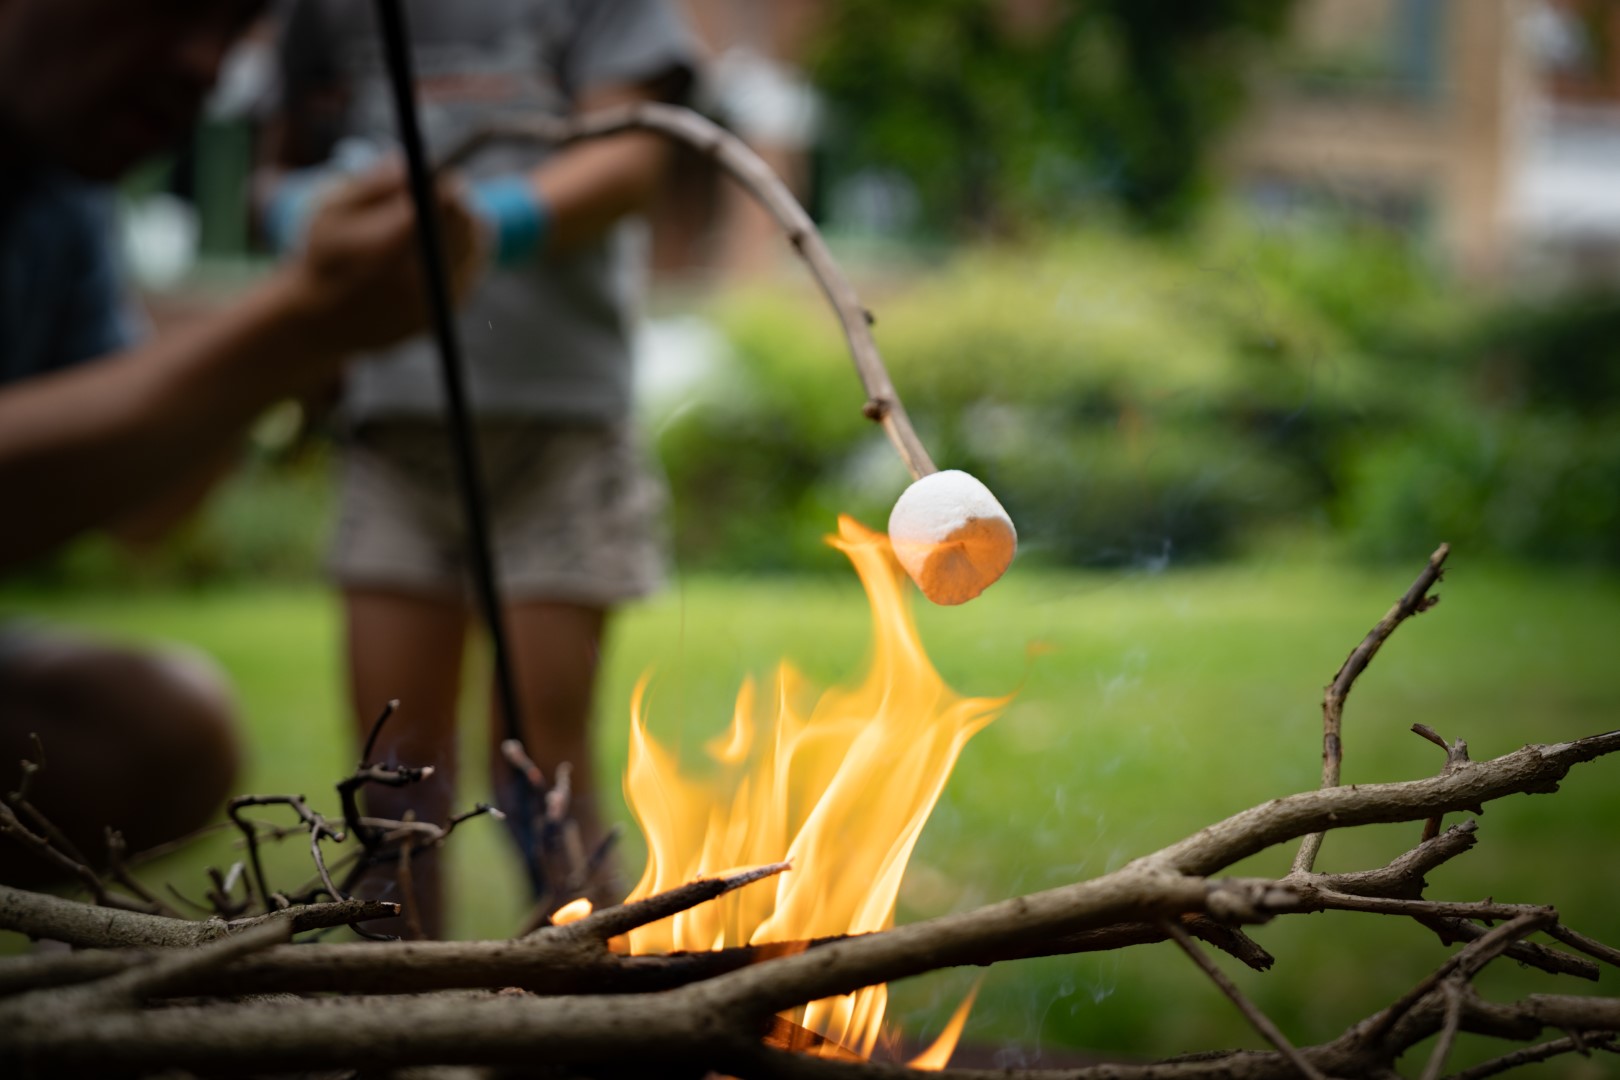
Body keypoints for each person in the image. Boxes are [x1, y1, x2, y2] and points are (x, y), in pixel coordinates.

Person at [0, 0, 478, 884]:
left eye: (234, 27)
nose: (204, 64)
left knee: (159, 733)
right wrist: (288, 328)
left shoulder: (60, 199)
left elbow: (146, 513)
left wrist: (301, 346)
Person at [261, 0, 697, 937]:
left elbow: (633, 157)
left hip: (562, 426)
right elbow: (276, 164)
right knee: (393, 788)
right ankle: (392, 1031)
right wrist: (305, 213)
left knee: (542, 772)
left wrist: (490, 223)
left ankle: (589, 1028)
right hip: (391, 427)